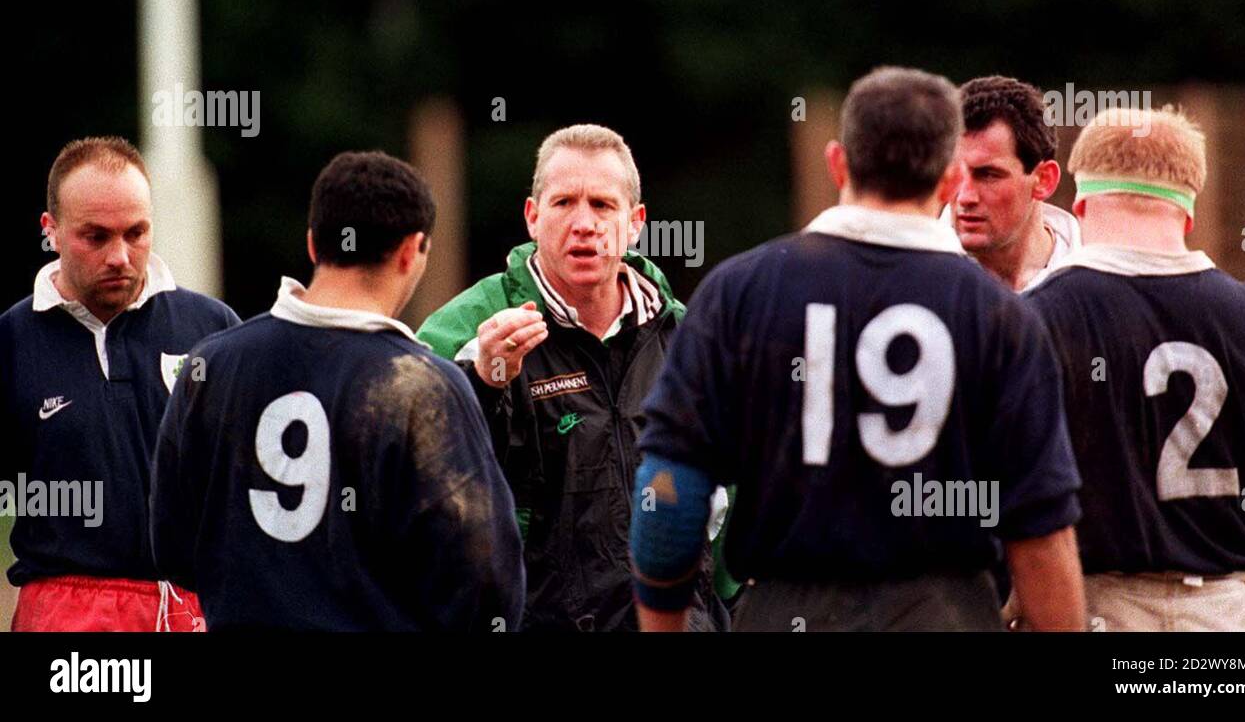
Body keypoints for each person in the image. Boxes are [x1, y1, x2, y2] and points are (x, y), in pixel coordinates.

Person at [630, 67, 1086, 632]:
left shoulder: (739, 291)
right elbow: (1039, 529)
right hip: (946, 612)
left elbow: (669, 491)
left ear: (837, 163)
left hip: (787, 608)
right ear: (948, 178)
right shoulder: (1002, 317)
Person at [150, 151, 524, 630]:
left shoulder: (210, 365)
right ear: (413, 251)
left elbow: (172, 546)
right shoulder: (422, 387)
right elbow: (487, 584)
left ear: (312, 243)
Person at [417, 124, 726, 631]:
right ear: (533, 218)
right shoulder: (464, 327)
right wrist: (482, 382)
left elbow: (730, 490)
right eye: (564, 203)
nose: (584, 224)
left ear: (635, 224)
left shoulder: (686, 334)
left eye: (603, 205)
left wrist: (722, 612)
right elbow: (419, 476)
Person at [1026, 106, 1245, 630]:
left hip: (1095, 607)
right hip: (1227, 615)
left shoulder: (1036, 317)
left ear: (1079, 205)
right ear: (1188, 214)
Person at [0, 136, 239, 631]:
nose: (120, 256)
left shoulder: (212, 330)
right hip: (64, 613)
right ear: (53, 231)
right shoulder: (12, 341)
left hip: (193, 608)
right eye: (97, 236)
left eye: (136, 233)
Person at [944, 75, 1080, 292]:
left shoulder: (1098, 287)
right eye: (954, 174)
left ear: (1044, 179)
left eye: (988, 175)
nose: (965, 197)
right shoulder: (912, 277)